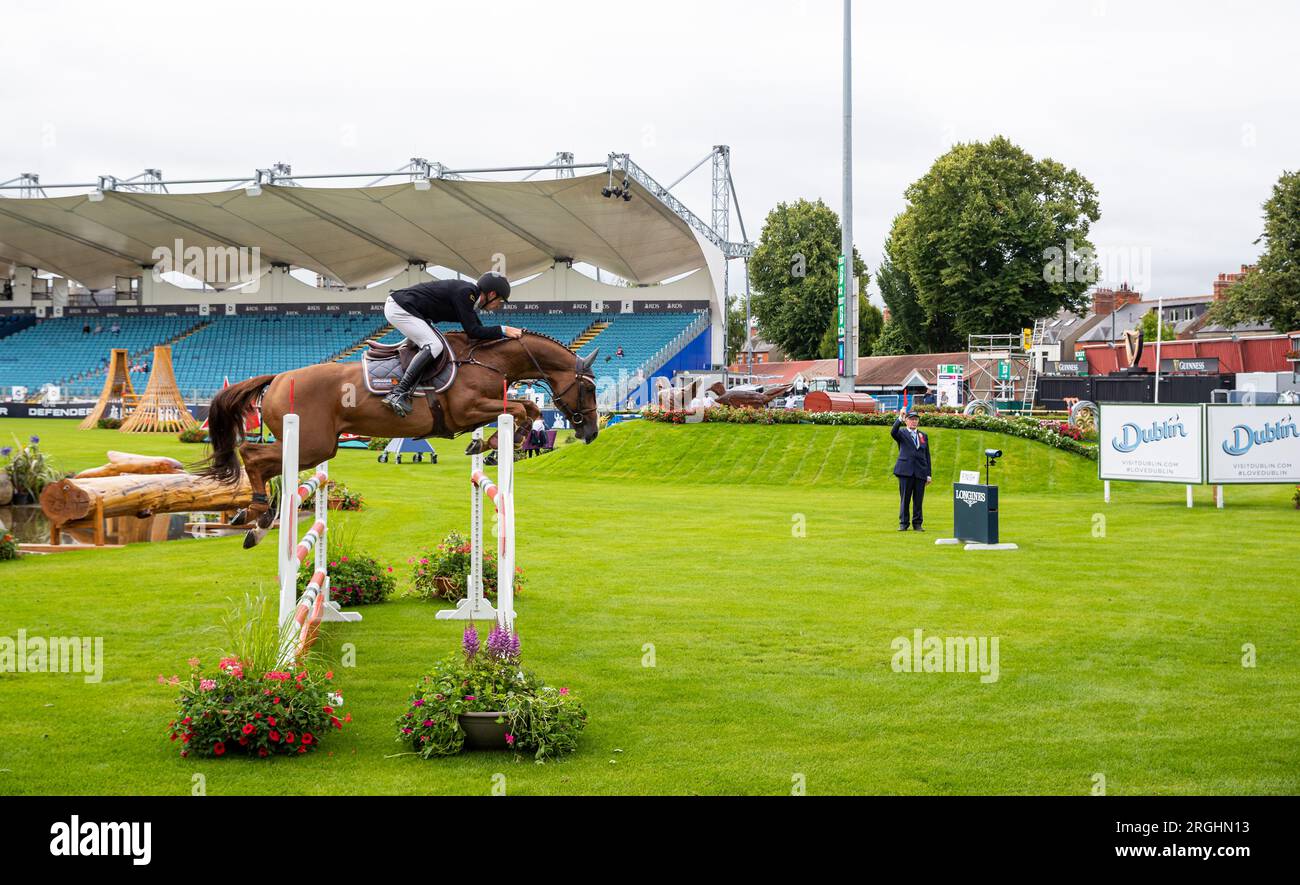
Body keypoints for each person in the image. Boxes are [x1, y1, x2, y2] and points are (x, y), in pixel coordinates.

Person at [381, 272, 522, 416]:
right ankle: (398, 392)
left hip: (410, 309)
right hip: (401, 308)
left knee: (435, 343)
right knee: (434, 345)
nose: (499, 306)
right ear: (492, 294)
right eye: (500, 300)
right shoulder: (466, 293)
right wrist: (504, 330)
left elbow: (478, 332)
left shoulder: (470, 298)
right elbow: (473, 331)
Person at [891, 409, 932, 531]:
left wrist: (928, 474)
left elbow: (927, 455)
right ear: (906, 421)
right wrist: (899, 418)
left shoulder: (923, 435)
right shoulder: (902, 433)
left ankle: (917, 523)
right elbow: (893, 432)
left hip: (920, 471)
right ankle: (903, 523)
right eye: (911, 419)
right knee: (905, 498)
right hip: (905, 471)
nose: (914, 422)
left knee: (918, 499)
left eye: (916, 419)